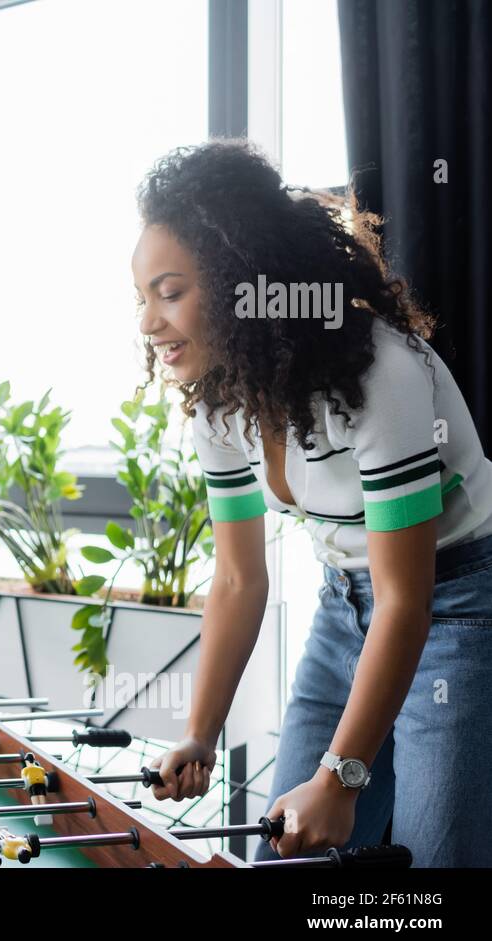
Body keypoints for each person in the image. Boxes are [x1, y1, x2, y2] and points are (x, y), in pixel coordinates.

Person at [133, 140, 492, 867]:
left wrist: (340, 776)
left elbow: (406, 600)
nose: (149, 322)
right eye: (142, 298)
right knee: (287, 858)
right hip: (346, 609)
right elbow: (238, 578)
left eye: (169, 292)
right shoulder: (216, 406)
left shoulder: (380, 374)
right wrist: (201, 731)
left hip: (457, 603)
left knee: (431, 869)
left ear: (242, 280)